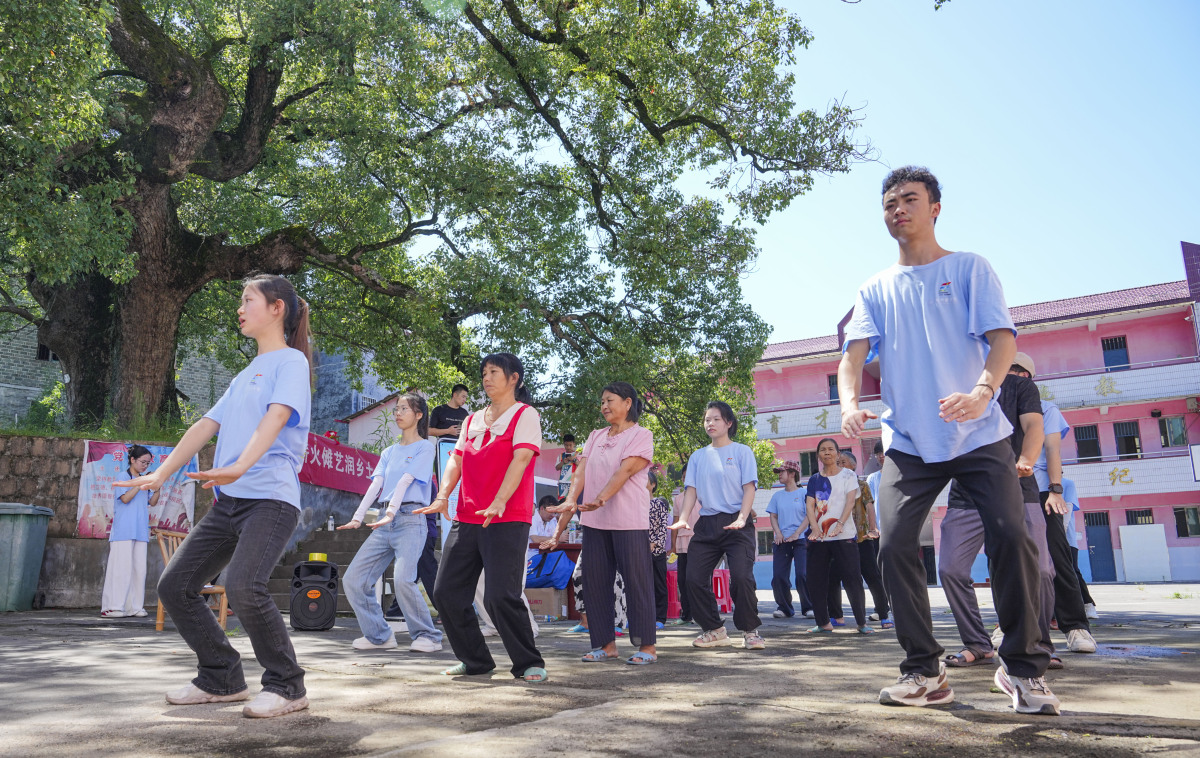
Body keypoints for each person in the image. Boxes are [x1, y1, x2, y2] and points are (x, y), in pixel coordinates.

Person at [839, 166, 1059, 714]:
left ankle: (1023, 670)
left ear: (935, 207)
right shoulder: (874, 288)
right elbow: (853, 356)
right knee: (892, 546)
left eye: (910, 200)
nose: (898, 210)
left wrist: (984, 392)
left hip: (979, 434)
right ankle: (925, 671)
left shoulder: (968, 269)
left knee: (1012, 535)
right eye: (889, 203)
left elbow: (1001, 340)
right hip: (910, 439)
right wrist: (848, 405)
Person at [119, 273, 313, 718]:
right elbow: (204, 426)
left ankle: (287, 686)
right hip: (229, 502)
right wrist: (160, 476)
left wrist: (242, 464)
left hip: (270, 499)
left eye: (248, 300)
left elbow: (279, 416)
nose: (240, 309)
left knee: (246, 586)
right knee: (175, 585)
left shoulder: (291, 363)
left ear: (277, 308)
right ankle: (221, 677)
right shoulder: (247, 373)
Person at [416, 353, 548, 683]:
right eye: (484, 373)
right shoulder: (473, 419)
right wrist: (443, 495)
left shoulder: (525, 415)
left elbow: (520, 461)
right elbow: (455, 460)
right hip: (468, 517)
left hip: (507, 517)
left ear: (513, 378)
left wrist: (499, 500)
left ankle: (529, 662)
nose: (486, 378)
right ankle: (475, 660)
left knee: (500, 595)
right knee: (446, 591)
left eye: (494, 372)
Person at [937, 361, 1051, 669]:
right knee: (950, 569)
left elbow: (1033, 427)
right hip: (966, 495)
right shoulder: (952, 380)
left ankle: (1037, 644)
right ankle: (977, 643)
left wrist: (1027, 460)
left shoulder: (1019, 386)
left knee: (1039, 570)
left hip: (1016, 486)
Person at [553, 381, 657, 664]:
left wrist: (601, 498)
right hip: (595, 520)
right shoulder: (596, 435)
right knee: (595, 582)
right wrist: (571, 500)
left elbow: (626, 471)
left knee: (637, 582)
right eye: (602, 402)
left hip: (629, 521)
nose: (604, 406)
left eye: (610, 400)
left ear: (627, 403)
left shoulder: (641, 435)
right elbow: (580, 473)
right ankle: (605, 644)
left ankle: (647, 646)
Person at [339, 394, 443, 653]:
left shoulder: (425, 447)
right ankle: (379, 636)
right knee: (354, 579)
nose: (398, 413)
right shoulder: (389, 451)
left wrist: (393, 511)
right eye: (396, 409)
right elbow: (377, 485)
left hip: (410, 520)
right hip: (385, 520)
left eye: (404, 409)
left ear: (419, 415)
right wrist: (358, 517)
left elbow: (407, 479)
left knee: (403, 580)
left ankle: (428, 635)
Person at [670, 401, 764, 650]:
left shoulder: (742, 451)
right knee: (693, 579)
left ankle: (750, 631)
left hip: (737, 521)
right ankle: (714, 629)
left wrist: (743, 518)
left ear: (729, 423)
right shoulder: (698, 456)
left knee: (741, 578)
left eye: (716, 419)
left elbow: (749, 488)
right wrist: (683, 518)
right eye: (707, 419)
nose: (710, 423)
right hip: (708, 523)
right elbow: (691, 491)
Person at [1023, 357, 1098, 655]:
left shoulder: (1046, 409)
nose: (1014, 377)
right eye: (1008, 371)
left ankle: (1076, 627)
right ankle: (1008, 625)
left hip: (1041, 491)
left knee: (1059, 558)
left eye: (1020, 373)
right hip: (1006, 491)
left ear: (1030, 377)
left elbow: (1053, 449)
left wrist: (1055, 490)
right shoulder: (994, 407)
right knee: (1007, 561)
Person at [805, 439, 873, 635]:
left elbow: (850, 501)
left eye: (831, 449)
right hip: (819, 538)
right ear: (818, 455)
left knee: (852, 580)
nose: (827, 453)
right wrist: (815, 528)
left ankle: (861, 623)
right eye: (823, 450)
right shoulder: (814, 479)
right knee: (816, 580)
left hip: (844, 536)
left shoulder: (848, 475)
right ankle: (823, 623)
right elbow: (810, 505)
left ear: (837, 453)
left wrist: (841, 524)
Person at [101, 445, 159, 619]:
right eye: (142, 462)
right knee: (120, 569)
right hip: (123, 531)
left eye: (148, 463)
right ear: (132, 460)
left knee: (138, 570)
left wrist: (156, 487)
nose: (145, 466)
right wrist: (140, 483)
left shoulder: (143, 480)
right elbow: (125, 499)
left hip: (140, 531)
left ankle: (134, 607)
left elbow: (153, 502)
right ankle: (112, 607)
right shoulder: (123, 477)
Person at [840, 450, 891, 629]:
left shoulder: (862, 485)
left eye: (844, 462)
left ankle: (884, 615)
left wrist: (872, 528)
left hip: (862, 539)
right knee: (851, 580)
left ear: (853, 466)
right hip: (843, 541)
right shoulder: (834, 487)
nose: (841, 465)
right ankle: (854, 618)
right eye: (838, 463)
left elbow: (870, 507)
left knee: (873, 577)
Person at [766, 461, 811, 619]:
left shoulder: (804, 493)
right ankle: (784, 608)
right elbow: (773, 515)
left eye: (782, 471)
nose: (779, 474)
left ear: (792, 473)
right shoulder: (777, 496)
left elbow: (809, 516)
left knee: (802, 574)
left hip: (801, 539)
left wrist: (797, 533)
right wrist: (777, 533)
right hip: (782, 540)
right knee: (779, 576)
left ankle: (808, 607)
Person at [1061, 478, 1097, 619]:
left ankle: (1088, 604)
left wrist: (1060, 535)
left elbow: (1067, 512)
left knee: (1072, 571)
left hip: (1066, 538)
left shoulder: (1066, 483)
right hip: (1045, 538)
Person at [666, 475, 693, 626]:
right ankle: (686, 615)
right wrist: (674, 545)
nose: (686, 479)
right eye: (684, 476)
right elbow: (676, 521)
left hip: (700, 543)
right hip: (682, 544)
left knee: (699, 580)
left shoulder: (704, 496)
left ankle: (703, 614)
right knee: (683, 580)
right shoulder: (679, 499)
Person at [647, 471, 672, 629]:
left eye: (646, 480)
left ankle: (660, 618)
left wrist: (654, 544)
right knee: (641, 585)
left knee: (659, 584)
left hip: (656, 552)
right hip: (637, 551)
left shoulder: (659, 504)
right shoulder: (633, 503)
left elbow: (663, 527)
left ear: (653, 484)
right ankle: (643, 616)